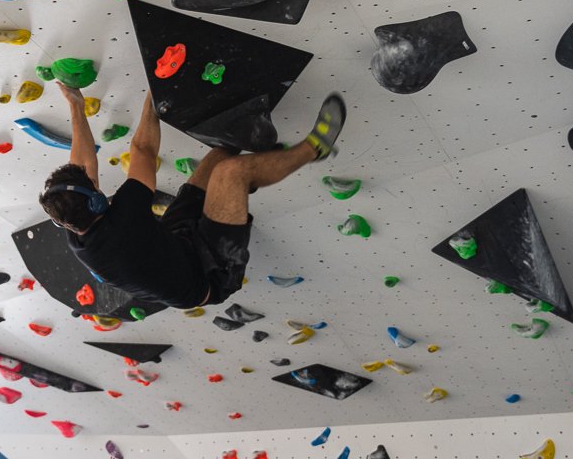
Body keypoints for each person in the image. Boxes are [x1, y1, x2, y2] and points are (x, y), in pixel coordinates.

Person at [39, 82, 346, 310]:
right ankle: (313, 149)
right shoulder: (124, 221)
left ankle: (243, 183)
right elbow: (143, 151)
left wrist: (75, 105)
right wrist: (154, 90)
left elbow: (82, 165)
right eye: (92, 185)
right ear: (95, 201)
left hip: (172, 245)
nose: (92, 177)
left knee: (224, 149)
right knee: (230, 173)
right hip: (209, 276)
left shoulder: (77, 224)